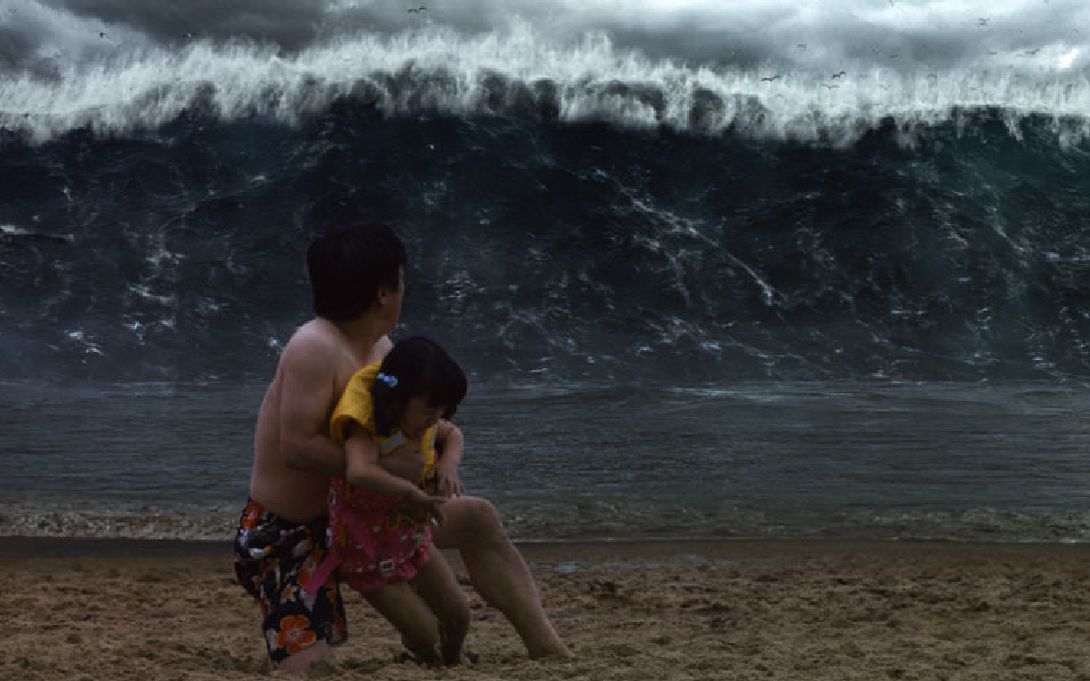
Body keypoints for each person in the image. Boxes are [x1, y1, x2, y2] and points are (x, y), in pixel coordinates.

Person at [233, 223, 570, 673]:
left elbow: (432, 427)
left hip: (372, 516)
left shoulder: (381, 348)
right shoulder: (314, 346)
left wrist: (437, 462)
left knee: (478, 518)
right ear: (383, 293)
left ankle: (548, 649)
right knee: (311, 671)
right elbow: (296, 447)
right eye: (402, 281)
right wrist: (386, 469)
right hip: (293, 534)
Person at [302, 336, 470, 665]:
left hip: (411, 538)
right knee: (425, 633)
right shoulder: (366, 424)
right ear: (399, 397)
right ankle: (426, 655)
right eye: (430, 407)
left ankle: (451, 661)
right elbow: (359, 472)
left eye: (443, 409)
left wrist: (448, 464)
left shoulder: (422, 418)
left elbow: (453, 435)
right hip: (367, 552)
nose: (436, 417)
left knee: (459, 616)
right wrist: (410, 492)